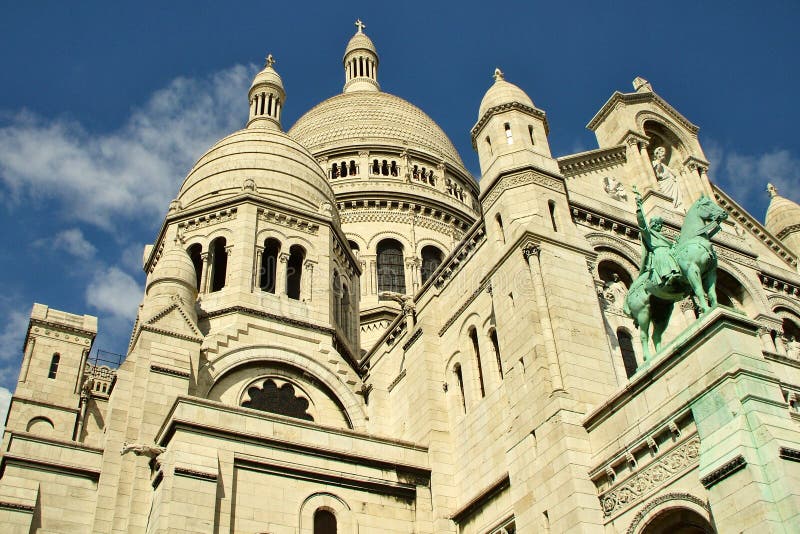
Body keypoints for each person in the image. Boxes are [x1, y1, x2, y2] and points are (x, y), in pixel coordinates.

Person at [632, 186, 681, 290]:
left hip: (669, 252)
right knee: (663, 253)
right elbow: (642, 224)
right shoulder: (649, 235)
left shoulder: (663, 237)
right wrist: (639, 207)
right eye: (657, 224)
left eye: (660, 225)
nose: (659, 226)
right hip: (660, 254)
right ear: (653, 225)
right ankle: (668, 276)